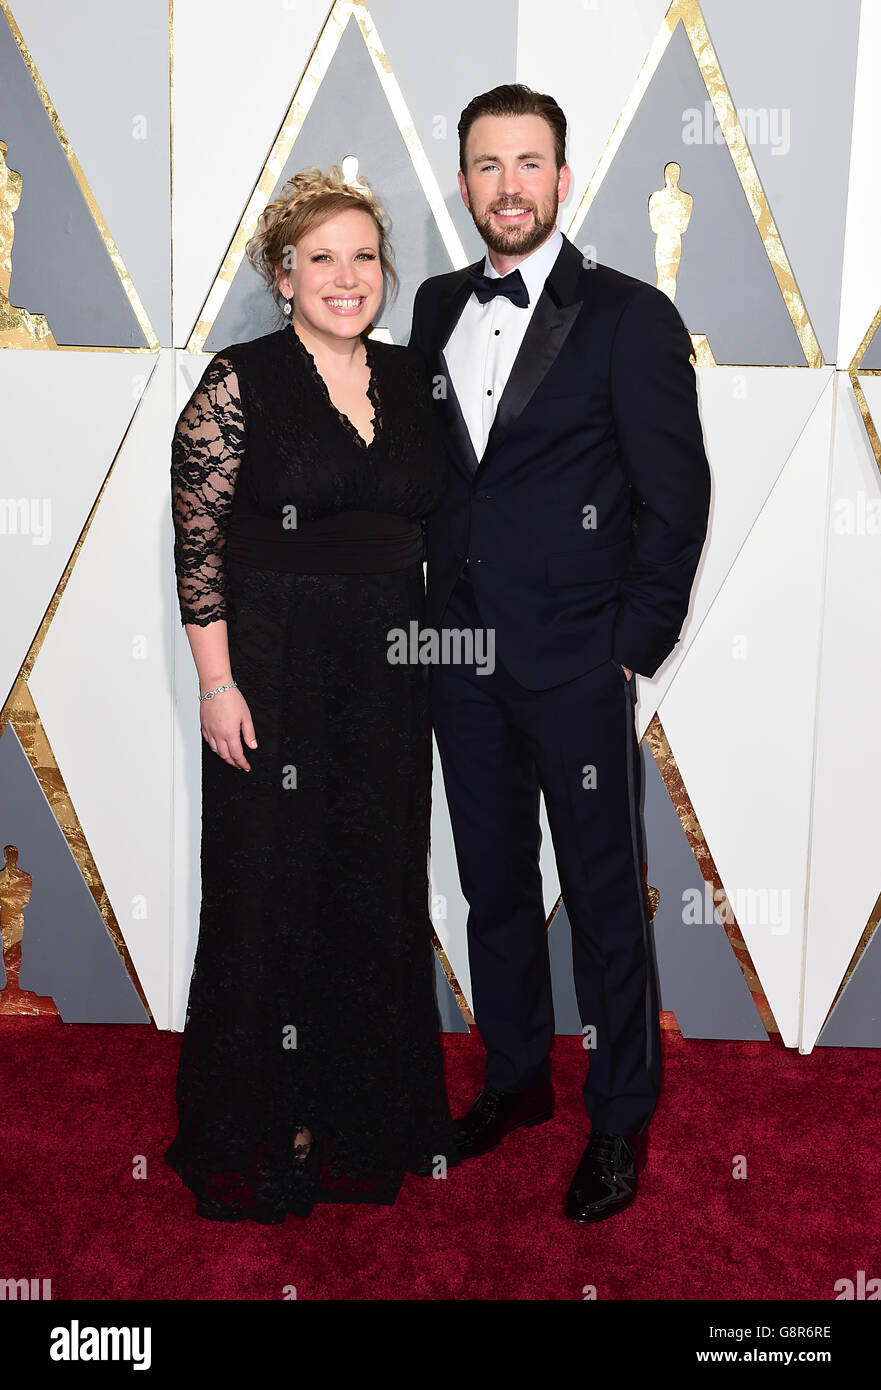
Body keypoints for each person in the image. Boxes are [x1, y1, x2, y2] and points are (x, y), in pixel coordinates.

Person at [409, 85, 711, 1222]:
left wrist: (629, 646)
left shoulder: (630, 316)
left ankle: (619, 1117)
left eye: (527, 163)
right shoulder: (436, 303)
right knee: (491, 886)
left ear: (562, 179)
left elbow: (675, 498)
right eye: (487, 165)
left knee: (601, 900)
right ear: (463, 183)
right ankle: (517, 1077)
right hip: (460, 656)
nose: (508, 186)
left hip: (579, 662)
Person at [165, 164, 458, 1223]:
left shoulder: (415, 377)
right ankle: (272, 1122)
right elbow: (197, 546)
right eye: (320, 258)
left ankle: (363, 1117)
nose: (346, 276)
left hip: (388, 674)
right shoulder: (237, 380)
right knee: (271, 890)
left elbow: (448, 519)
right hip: (274, 669)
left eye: (363, 256)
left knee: (372, 887)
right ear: (282, 276)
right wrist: (217, 684)